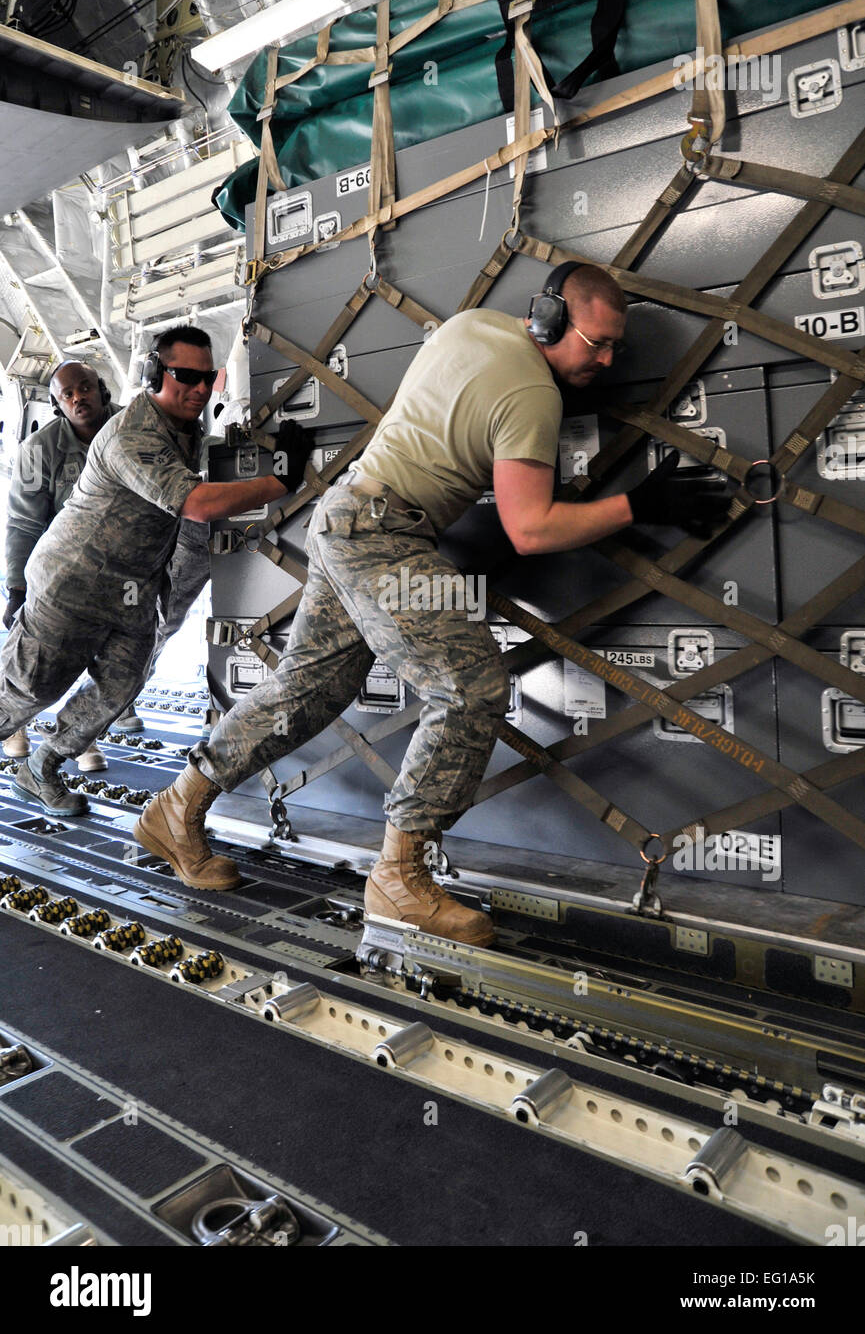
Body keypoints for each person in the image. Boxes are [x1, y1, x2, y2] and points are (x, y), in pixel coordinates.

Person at [134, 266, 730, 944]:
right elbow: (529, 529)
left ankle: (174, 811)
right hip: (382, 533)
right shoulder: (534, 394)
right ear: (549, 321)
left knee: (306, 689)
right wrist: (637, 505)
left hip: (345, 519)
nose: (604, 359)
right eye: (594, 342)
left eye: (613, 347)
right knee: (470, 685)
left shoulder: (470, 324)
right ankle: (397, 877)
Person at [0, 324, 310, 817]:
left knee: (119, 690)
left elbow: (214, 457)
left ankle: (40, 768)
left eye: (207, 378)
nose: (200, 389)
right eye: (186, 376)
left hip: (133, 590)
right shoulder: (133, 433)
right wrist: (281, 481)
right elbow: (196, 503)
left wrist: (270, 442)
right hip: (73, 582)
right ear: (153, 373)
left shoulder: (182, 430)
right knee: (28, 688)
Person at [3, 360, 117, 771]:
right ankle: (15, 723)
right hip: (61, 572)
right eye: (67, 395)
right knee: (40, 660)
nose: (77, 398)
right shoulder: (38, 452)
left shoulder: (135, 428)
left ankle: (77, 736)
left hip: (121, 571)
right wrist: (17, 588)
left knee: (113, 666)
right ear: (56, 405)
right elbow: (23, 522)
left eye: (84, 388)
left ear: (102, 389)